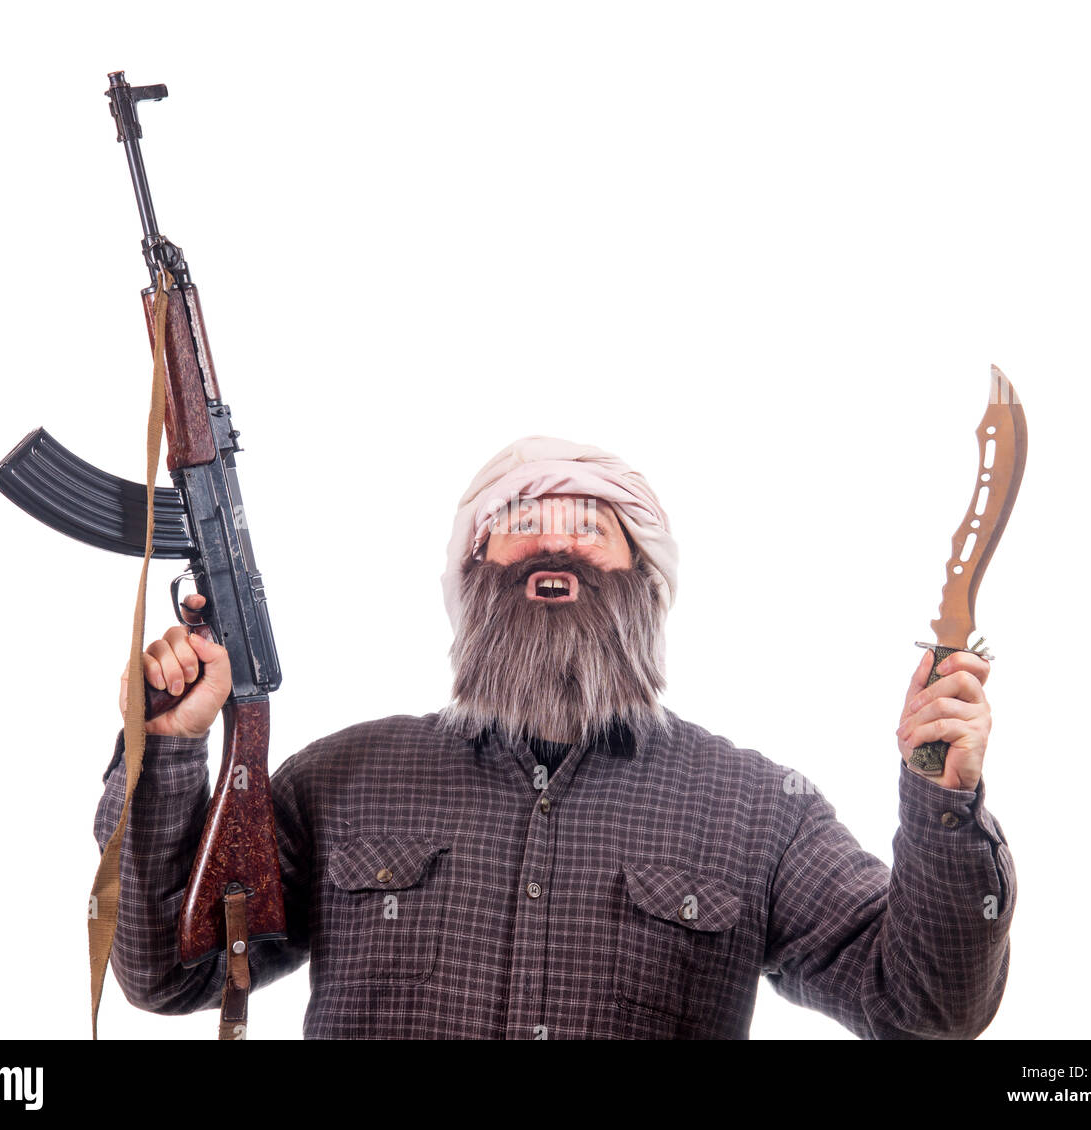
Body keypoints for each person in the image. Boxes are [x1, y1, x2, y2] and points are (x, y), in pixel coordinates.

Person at [96, 435, 1014, 1039]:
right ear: (473, 577)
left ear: (643, 584)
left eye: (592, 527)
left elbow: (926, 1004)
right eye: (520, 524)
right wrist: (170, 745)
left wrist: (940, 799)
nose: (555, 545)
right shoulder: (339, 780)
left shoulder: (755, 810)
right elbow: (165, 975)